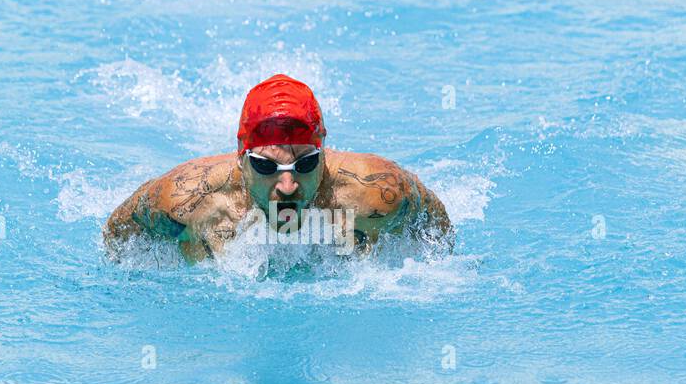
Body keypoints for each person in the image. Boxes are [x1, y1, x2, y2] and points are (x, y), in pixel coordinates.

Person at [104, 74, 453, 262]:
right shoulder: (187, 199)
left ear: (324, 153)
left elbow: (435, 224)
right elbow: (117, 237)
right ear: (241, 159)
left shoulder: (375, 192)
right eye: (266, 166)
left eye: (305, 164)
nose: (288, 185)